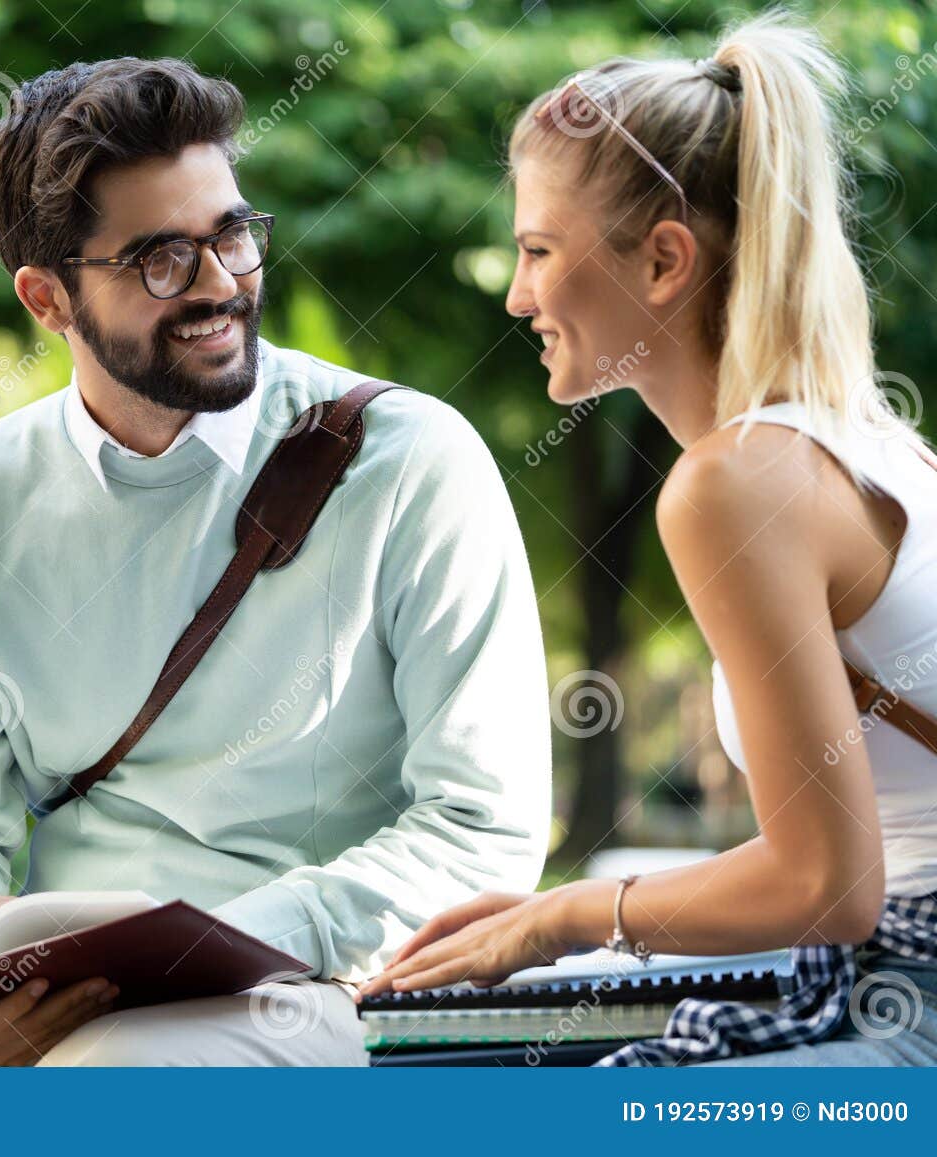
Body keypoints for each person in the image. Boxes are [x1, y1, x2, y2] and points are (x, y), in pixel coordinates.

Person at [0, 57, 550, 1068]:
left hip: (312, 980)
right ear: (47, 298)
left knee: (101, 1081)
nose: (218, 284)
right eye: (162, 257)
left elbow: (483, 827)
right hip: (51, 981)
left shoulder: (410, 460)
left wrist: (234, 937)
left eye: (233, 236)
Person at [360, 12, 937, 1066]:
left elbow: (828, 886)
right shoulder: (862, 443)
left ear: (663, 260)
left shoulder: (731, 482)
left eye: (537, 250)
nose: (515, 291)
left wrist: (557, 917)